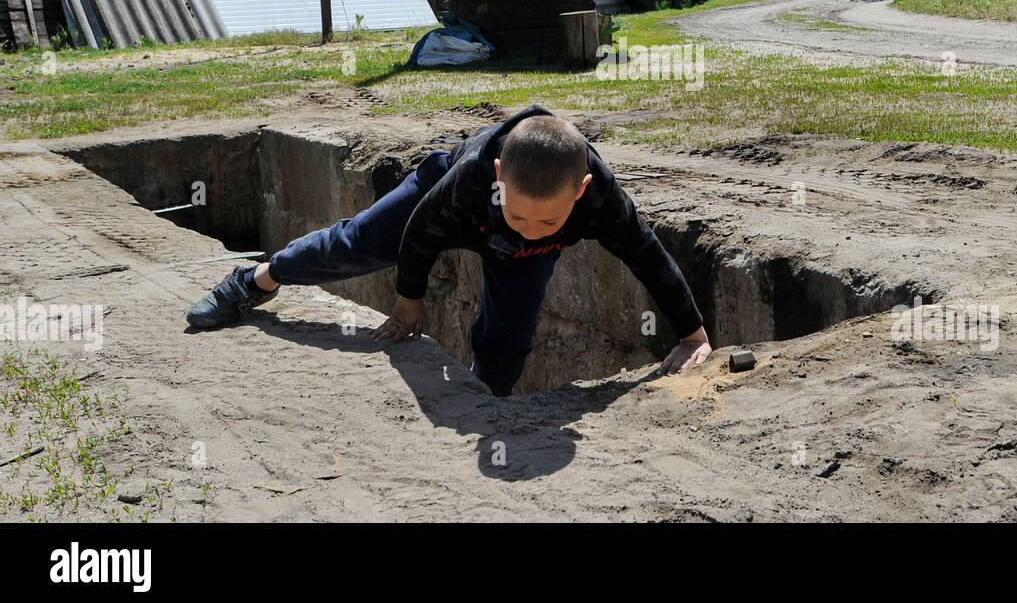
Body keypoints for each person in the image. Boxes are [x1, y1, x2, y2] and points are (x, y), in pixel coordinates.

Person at [186, 106, 712, 396]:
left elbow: (648, 255)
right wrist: (409, 299)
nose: (533, 229)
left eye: (548, 219)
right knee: (356, 245)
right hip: (444, 207)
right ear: (501, 176)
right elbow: (419, 235)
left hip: (504, 247)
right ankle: (254, 280)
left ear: (579, 192)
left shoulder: (601, 201)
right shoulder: (469, 179)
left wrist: (692, 335)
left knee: (509, 337)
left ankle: (483, 402)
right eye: (522, 214)